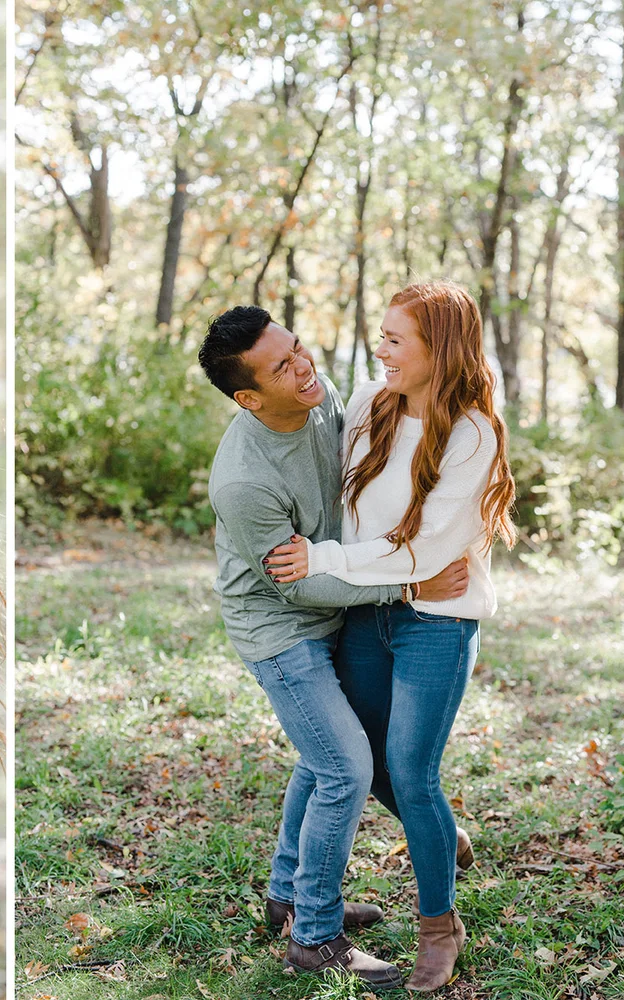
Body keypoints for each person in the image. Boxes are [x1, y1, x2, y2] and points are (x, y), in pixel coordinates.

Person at [197, 306, 471, 990]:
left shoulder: (323, 404)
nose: (304, 367)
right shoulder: (243, 480)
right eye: (283, 367)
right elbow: (296, 591)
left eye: (298, 349)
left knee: (323, 760)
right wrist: (407, 584)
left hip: (336, 608)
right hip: (281, 630)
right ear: (249, 398)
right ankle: (315, 937)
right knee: (346, 766)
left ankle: (288, 897)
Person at [264, 281, 516, 991]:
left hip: (438, 621)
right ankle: (437, 833)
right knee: (358, 760)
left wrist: (330, 563)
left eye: (397, 339)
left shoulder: (473, 433)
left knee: (410, 768)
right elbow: (354, 517)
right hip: (367, 610)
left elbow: (430, 552)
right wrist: (373, 572)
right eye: (382, 335)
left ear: (441, 350)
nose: (382, 349)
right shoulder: (370, 404)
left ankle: (440, 926)